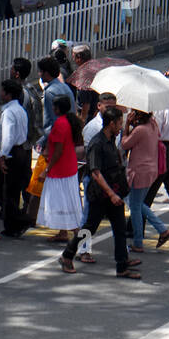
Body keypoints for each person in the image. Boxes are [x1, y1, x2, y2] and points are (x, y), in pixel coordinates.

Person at [60, 107, 139, 277]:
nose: (121, 127)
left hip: (114, 193)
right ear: (111, 124)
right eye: (119, 123)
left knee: (119, 229)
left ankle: (122, 266)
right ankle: (68, 255)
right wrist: (110, 194)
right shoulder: (97, 143)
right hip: (100, 194)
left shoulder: (111, 141)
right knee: (90, 228)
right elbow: (96, 172)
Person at [120, 109, 169, 252]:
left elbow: (124, 144)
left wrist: (126, 126)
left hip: (139, 171)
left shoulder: (140, 130)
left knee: (135, 207)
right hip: (151, 169)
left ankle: (138, 242)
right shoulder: (153, 124)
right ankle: (162, 229)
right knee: (138, 204)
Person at [37, 94, 82, 240]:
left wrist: (47, 169)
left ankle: (77, 233)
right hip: (68, 167)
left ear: (57, 108)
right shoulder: (68, 121)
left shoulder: (60, 124)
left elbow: (58, 150)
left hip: (60, 170)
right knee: (65, 200)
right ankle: (63, 232)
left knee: (63, 201)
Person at [0, 79, 32, 238]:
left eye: (2, 91)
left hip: (11, 153)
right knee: (13, 191)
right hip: (21, 151)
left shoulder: (9, 112)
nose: (0, 93)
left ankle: (18, 221)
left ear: (8, 94)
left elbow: (8, 136)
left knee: (4, 191)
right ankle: (14, 224)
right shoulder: (20, 109)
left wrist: (2, 156)